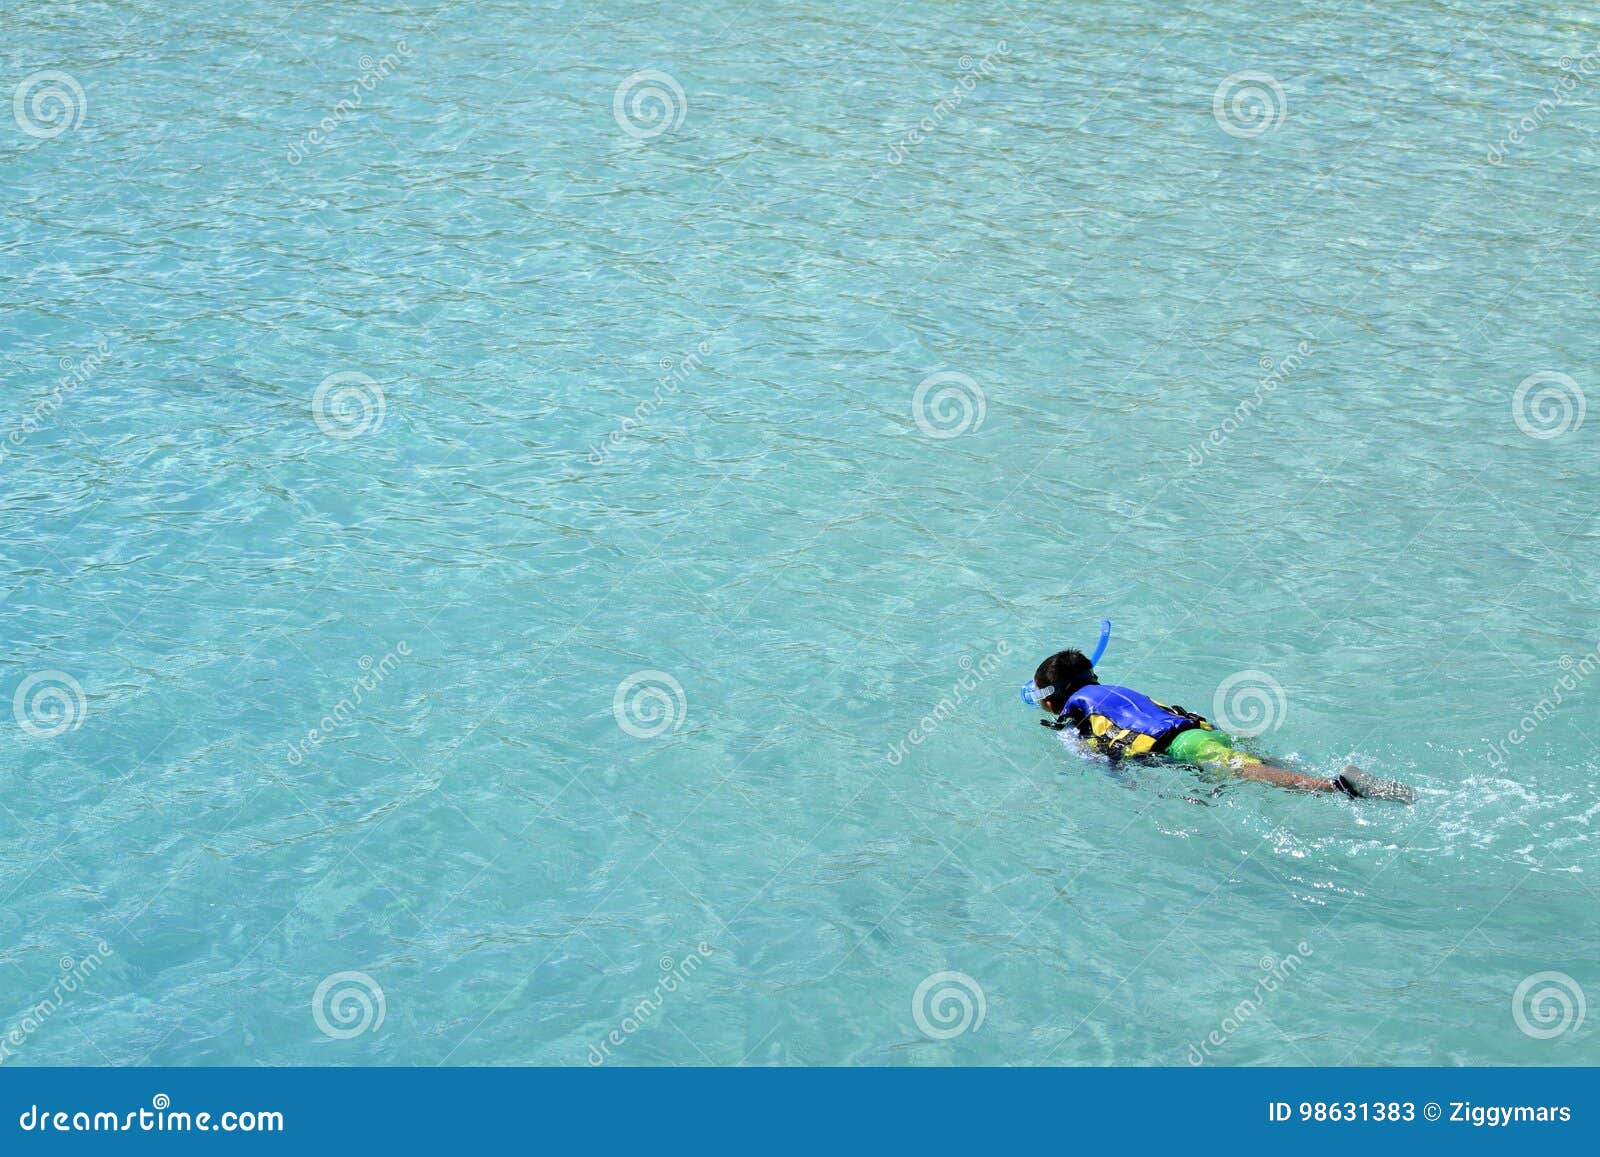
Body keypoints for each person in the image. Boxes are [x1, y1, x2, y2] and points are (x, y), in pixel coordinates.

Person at [1024, 647, 1415, 802]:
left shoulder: (1074, 714)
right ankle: (1352, 781)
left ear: (1052, 699)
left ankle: (1340, 787)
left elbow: (1093, 757)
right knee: (1262, 766)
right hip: (1204, 734)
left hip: (1184, 747)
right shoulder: (1111, 691)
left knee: (1254, 773)